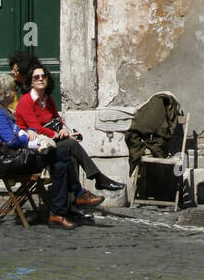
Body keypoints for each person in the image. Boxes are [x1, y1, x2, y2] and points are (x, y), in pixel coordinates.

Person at [0, 72, 101, 229]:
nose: (15, 92)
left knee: (61, 165)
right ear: (2, 94)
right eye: (12, 89)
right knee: (65, 151)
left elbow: (22, 130)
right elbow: (12, 141)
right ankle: (78, 194)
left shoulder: (5, 112)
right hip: (14, 161)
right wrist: (30, 139)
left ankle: (57, 214)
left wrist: (30, 132)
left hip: (22, 157)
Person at [15, 64, 124, 193]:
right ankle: (98, 179)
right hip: (34, 147)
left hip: (49, 142)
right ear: (31, 82)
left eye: (43, 76)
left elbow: (57, 118)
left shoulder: (48, 100)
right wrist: (58, 135)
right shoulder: (25, 101)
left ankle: (73, 202)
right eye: (36, 77)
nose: (40, 79)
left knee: (71, 155)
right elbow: (36, 128)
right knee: (71, 145)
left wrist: (64, 129)